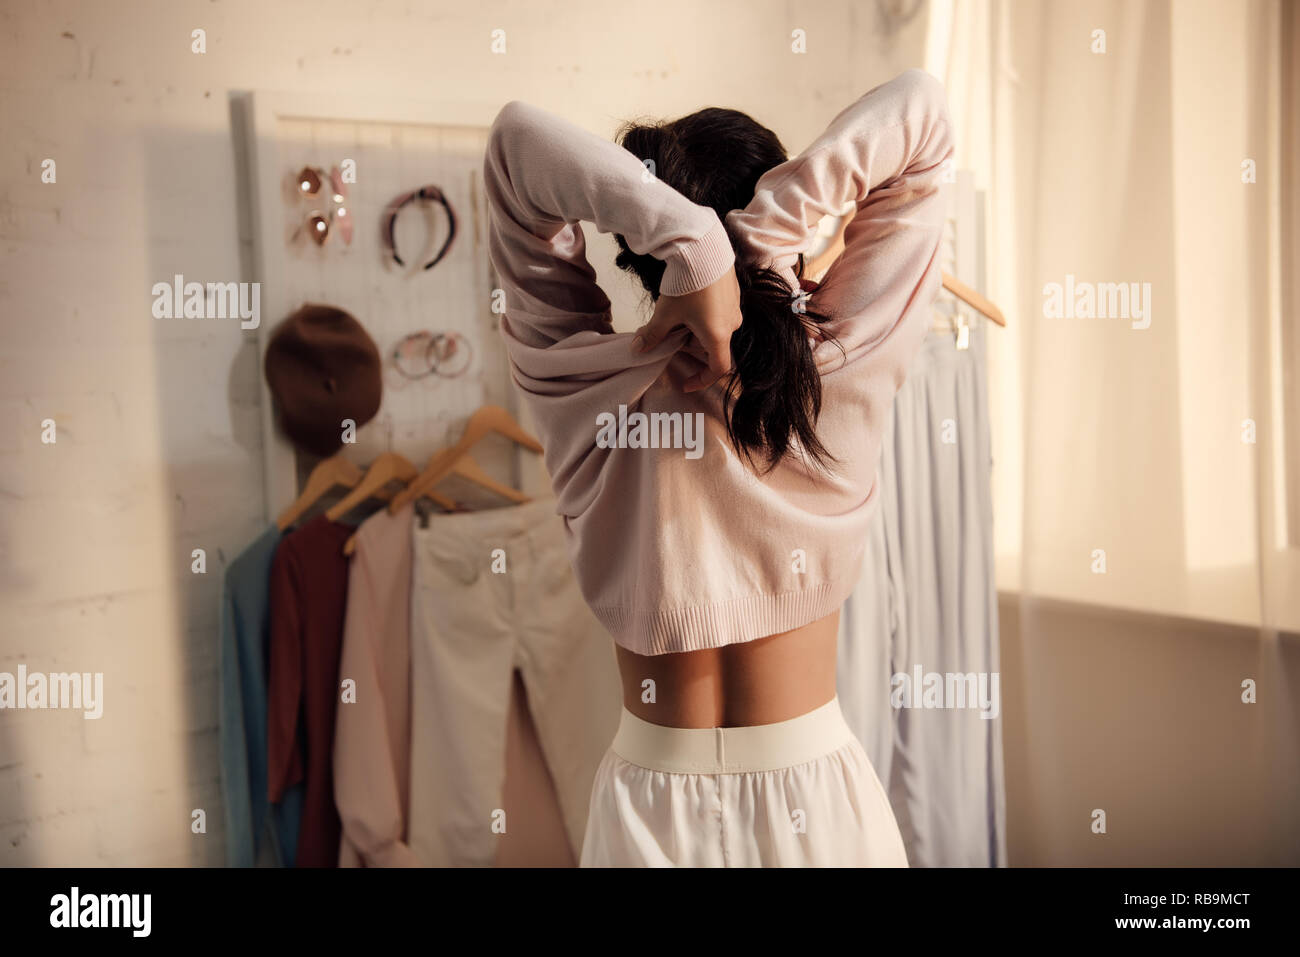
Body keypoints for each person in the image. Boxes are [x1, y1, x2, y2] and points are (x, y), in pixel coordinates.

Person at [482, 68, 953, 866]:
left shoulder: (578, 385)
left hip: (645, 814)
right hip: (819, 807)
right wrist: (751, 246)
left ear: (637, 249)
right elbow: (924, 116)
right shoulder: (842, 368)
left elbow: (512, 149)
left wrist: (696, 249)